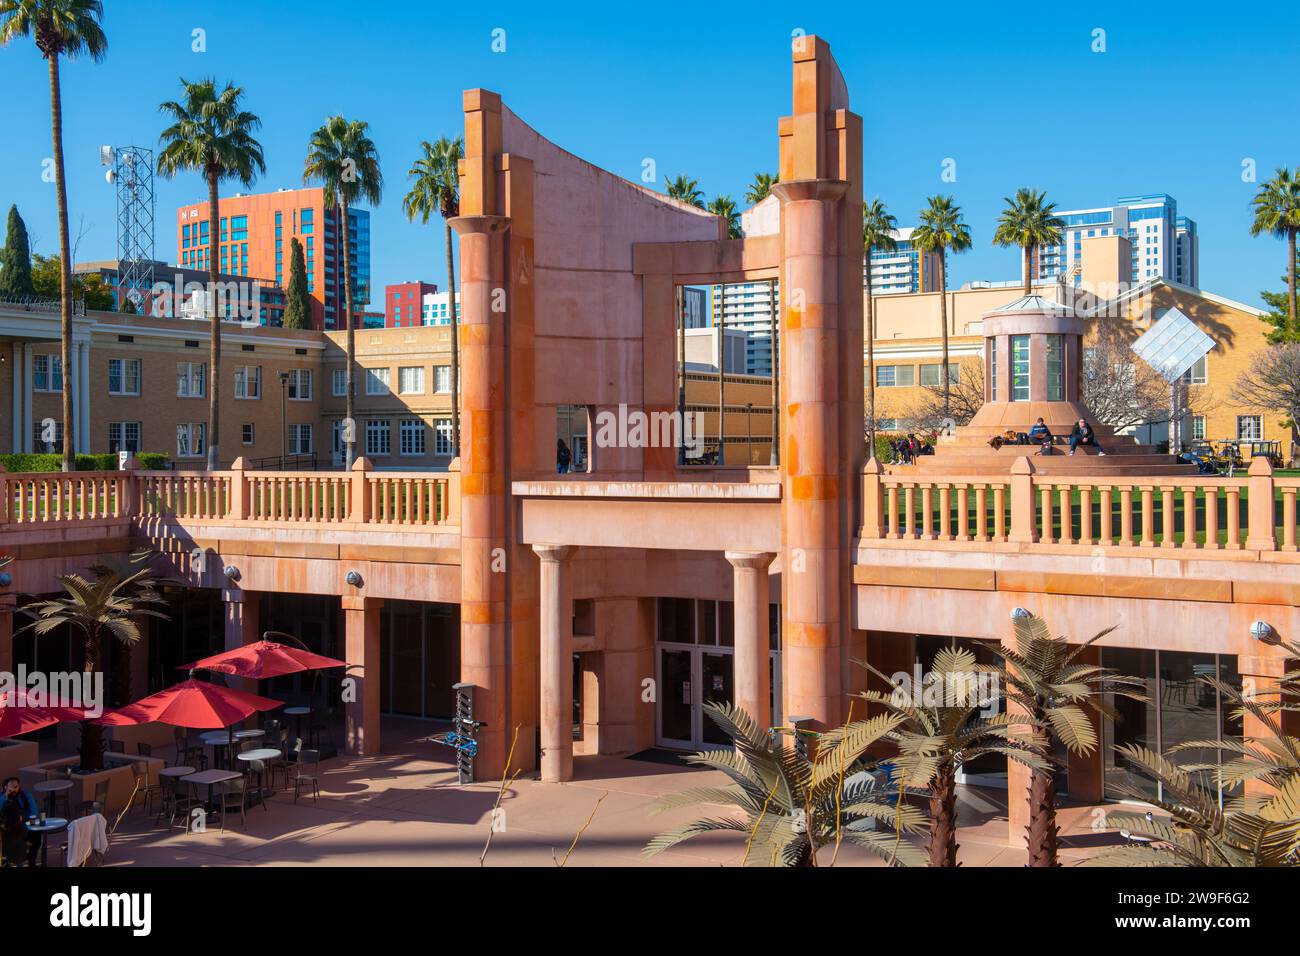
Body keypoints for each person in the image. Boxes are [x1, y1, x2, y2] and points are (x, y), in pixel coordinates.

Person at [0, 777, 40, 867]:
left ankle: (31, 861)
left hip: (25, 825)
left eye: (16, 787)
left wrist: (27, 821)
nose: (14, 789)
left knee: (36, 837)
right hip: (8, 829)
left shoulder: (26, 795)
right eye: (11, 787)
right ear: (5, 787)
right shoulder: (2, 797)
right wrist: (6, 795)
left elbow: (34, 811)